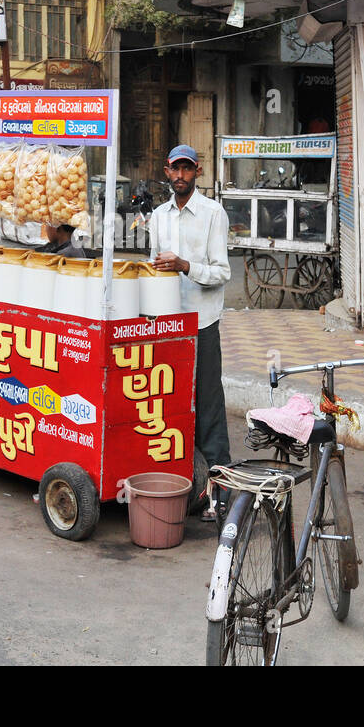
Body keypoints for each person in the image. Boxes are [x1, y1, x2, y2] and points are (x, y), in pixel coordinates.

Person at [149, 144, 231, 520]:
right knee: (171, 404)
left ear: (197, 171)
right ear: (166, 171)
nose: (180, 176)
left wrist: (184, 265)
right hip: (166, 323)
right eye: (174, 169)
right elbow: (153, 267)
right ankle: (183, 481)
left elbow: (221, 273)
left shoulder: (213, 213)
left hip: (201, 322)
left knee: (208, 405)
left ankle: (220, 490)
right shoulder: (158, 217)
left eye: (187, 169)